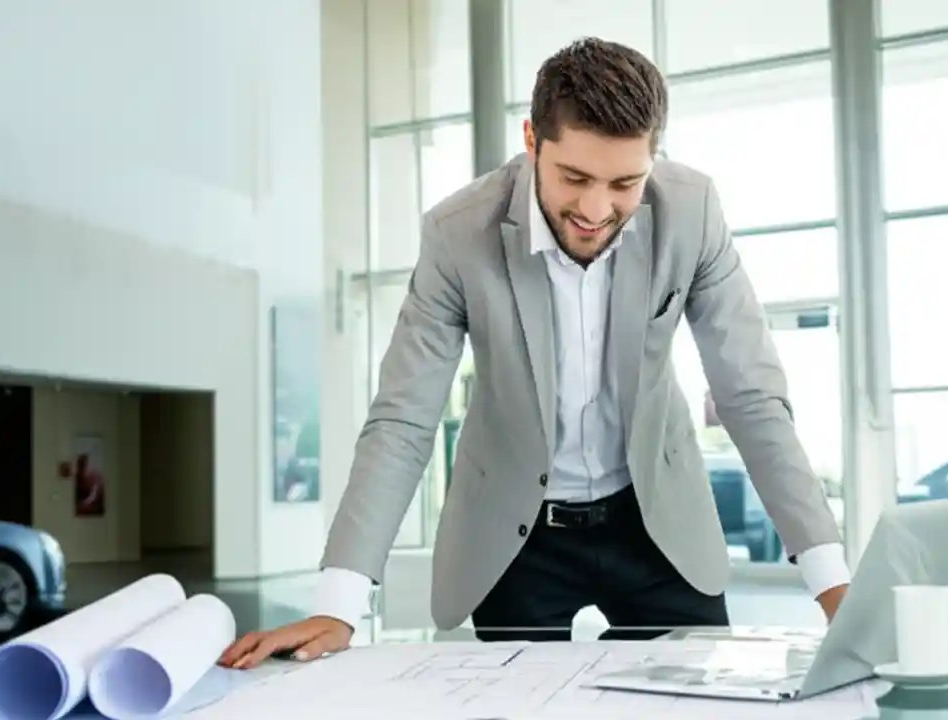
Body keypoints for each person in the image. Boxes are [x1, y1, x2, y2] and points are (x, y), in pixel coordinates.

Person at [220, 37, 848, 670]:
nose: (597, 210)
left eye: (625, 182)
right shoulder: (457, 235)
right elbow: (405, 418)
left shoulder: (693, 212)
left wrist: (832, 584)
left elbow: (751, 398)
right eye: (574, 178)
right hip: (517, 536)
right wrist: (338, 602)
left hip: (656, 522)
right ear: (531, 140)